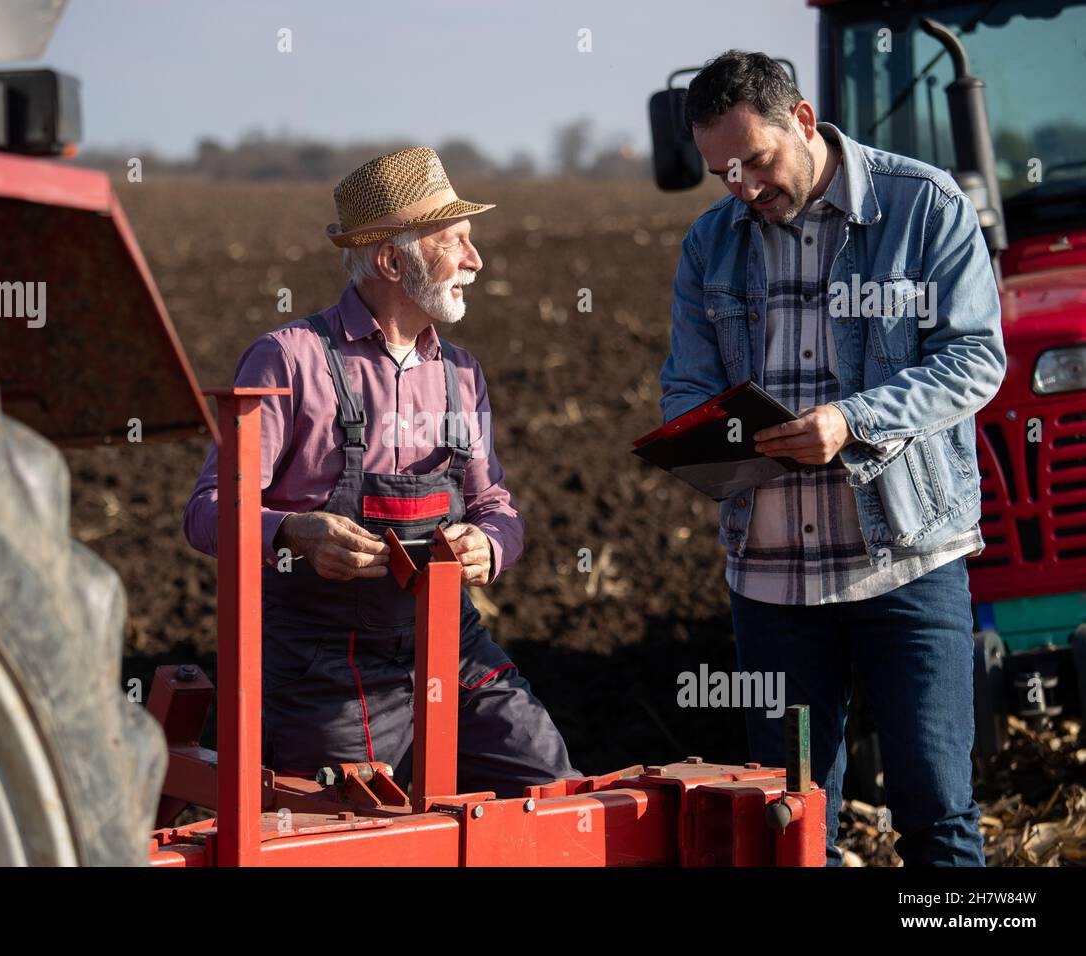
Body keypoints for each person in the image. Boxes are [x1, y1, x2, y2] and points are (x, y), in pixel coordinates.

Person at [659, 51, 1006, 865]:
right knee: (786, 827)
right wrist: (705, 441)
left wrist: (850, 422)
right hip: (771, 585)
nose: (741, 187)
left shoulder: (922, 206)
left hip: (908, 564)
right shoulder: (710, 244)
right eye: (722, 173)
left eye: (755, 163)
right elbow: (685, 390)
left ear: (804, 122)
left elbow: (972, 360)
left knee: (937, 813)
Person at [184, 146, 578, 797]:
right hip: (322, 666)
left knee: (552, 794)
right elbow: (206, 514)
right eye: (455, 242)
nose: (476, 261)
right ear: (394, 261)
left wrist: (491, 546)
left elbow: (494, 506)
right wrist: (291, 534)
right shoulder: (288, 362)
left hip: (451, 646)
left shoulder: (460, 374)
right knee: (355, 834)